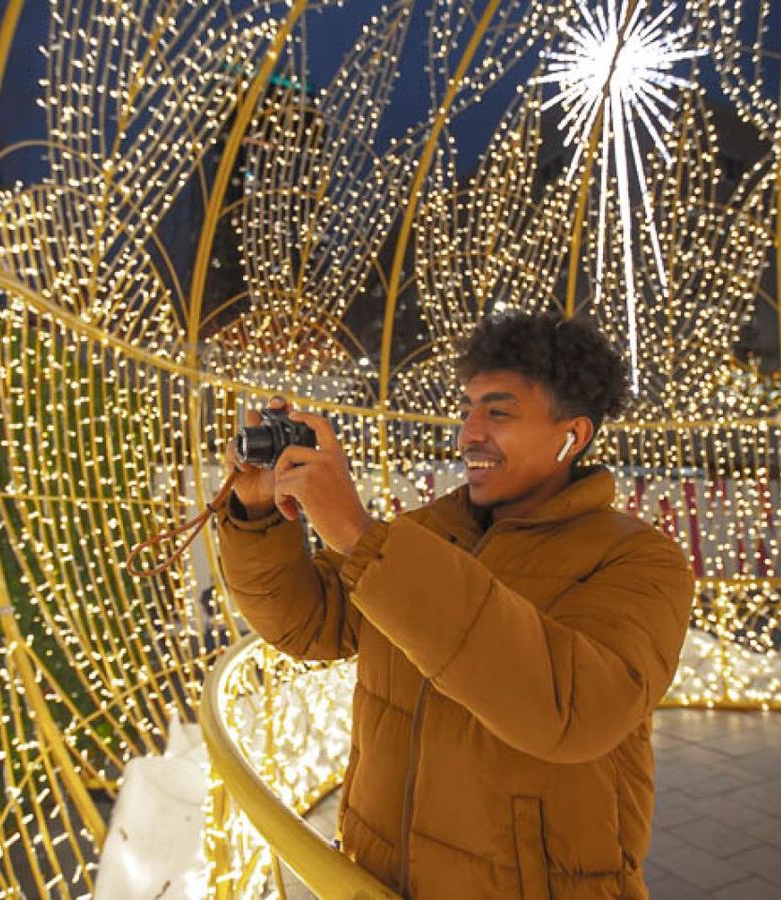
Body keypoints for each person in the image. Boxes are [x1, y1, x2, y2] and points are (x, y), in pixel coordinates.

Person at [214, 312, 694, 898]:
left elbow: (570, 710)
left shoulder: (641, 561)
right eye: (467, 411)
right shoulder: (428, 531)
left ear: (573, 436)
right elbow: (308, 625)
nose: (468, 434)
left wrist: (361, 536)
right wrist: (257, 514)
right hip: (379, 877)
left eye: (498, 412)